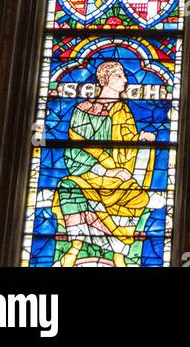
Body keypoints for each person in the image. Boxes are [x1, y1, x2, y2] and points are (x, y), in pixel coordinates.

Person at [51, 60, 158, 267]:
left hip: (120, 181)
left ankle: (118, 254)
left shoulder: (123, 111)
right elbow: (73, 151)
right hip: (90, 175)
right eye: (119, 75)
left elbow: (127, 148)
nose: (125, 80)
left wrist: (142, 142)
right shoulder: (83, 109)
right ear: (105, 79)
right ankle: (76, 246)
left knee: (136, 197)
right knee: (68, 187)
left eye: (124, 75)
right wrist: (106, 171)